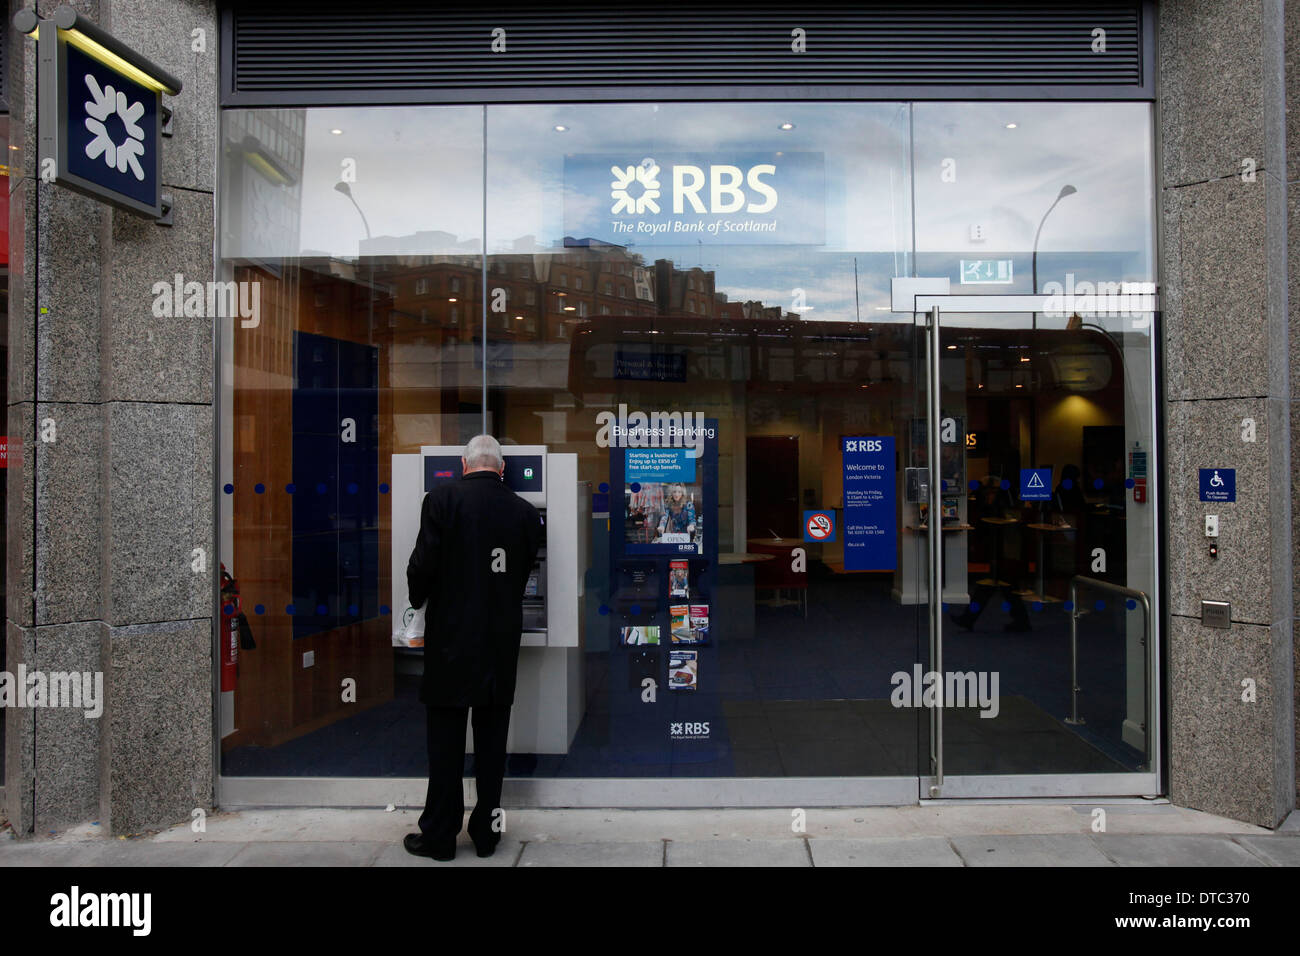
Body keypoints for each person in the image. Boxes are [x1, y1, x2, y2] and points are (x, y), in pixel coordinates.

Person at [403, 434, 543, 861]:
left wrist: (416, 600)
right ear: (501, 469)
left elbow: (422, 565)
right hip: (499, 639)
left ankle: (440, 837)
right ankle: (486, 833)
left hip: (450, 639)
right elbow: (522, 574)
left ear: (465, 465)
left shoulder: (442, 500)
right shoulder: (524, 512)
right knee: (492, 739)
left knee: (445, 740)